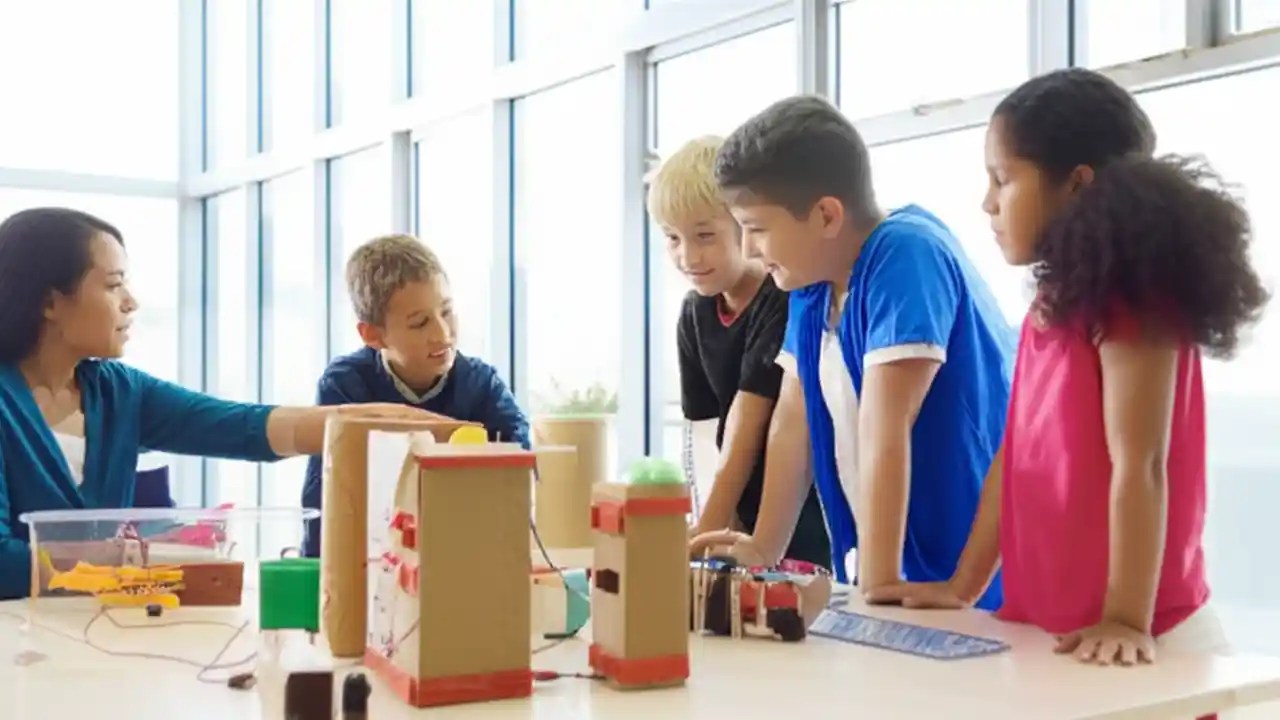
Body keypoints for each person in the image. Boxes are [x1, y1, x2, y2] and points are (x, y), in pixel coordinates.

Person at [868, 69, 1269, 669]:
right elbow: (1015, 455)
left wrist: (1126, 619)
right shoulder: (1050, 303)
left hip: (1146, 636)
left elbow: (1142, 464)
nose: (988, 203)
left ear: (1077, 184)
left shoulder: (1135, 301)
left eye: (1003, 179)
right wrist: (963, 586)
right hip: (1057, 632)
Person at [0, 208, 436, 600]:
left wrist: (415, 427)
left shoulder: (119, 392)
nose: (131, 302)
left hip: (98, 632)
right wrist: (136, 556)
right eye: (114, 285)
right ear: (50, 303)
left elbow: (250, 427)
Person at [691, 95, 1015, 611]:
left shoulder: (907, 253)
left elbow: (887, 422)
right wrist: (764, 548)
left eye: (756, 228)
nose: (749, 249)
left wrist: (879, 582)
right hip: (890, 572)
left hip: (967, 580)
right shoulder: (810, 283)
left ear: (826, 215)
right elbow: (793, 421)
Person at [648, 135, 829, 568]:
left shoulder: (780, 296)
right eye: (672, 238)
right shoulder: (695, 312)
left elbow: (747, 425)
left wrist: (702, 536)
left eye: (704, 236)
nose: (688, 256)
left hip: (801, 514)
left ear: (745, 227)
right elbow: (703, 433)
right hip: (739, 512)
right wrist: (707, 527)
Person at [301, 234, 528, 556]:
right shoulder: (345, 386)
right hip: (370, 561)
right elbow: (323, 499)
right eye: (420, 323)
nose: (442, 333)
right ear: (373, 335)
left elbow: (523, 475)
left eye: (446, 312)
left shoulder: (481, 385)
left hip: (467, 555)